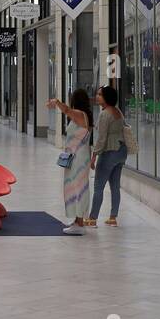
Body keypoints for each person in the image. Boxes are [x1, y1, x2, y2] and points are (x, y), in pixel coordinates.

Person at [47, 89, 94, 234]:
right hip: (77, 157)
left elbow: (66, 110)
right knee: (74, 187)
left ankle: (80, 224)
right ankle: (77, 220)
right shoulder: (82, 115)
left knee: (78, 187)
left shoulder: (80, 114)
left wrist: (57, 103)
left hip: (78, 158)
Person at [88, 85, 129, 227]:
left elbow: (101, 139)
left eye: (100, 94)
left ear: (107, 97)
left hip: (109, 152)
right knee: (115, 186)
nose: (97, 96)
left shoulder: (105, 114)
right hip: (121, 152)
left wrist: (94, 156)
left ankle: (92, 218)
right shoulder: (118, 112)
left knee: (98, 186)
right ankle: (113, 217)